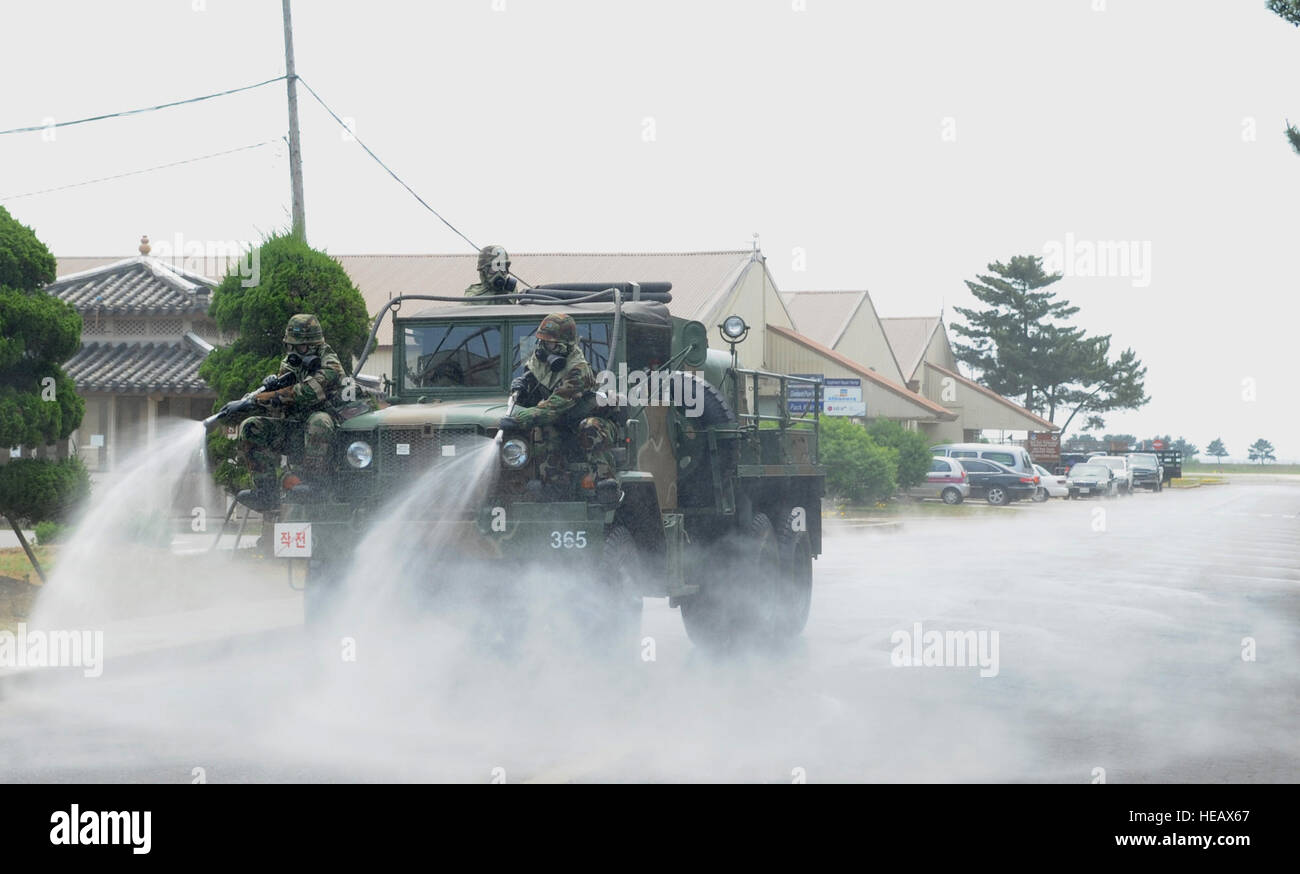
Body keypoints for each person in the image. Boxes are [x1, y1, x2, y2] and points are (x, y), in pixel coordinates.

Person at [235, 314, 345, 512]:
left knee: (318, 421)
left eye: (300, 347)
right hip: (295, 429)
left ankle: (315, 486)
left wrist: (261, 398)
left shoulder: (331, 366)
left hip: (328, 433)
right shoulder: (291, 363)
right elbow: (280, 401)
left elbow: (306, 393)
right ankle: (266, 494)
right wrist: (249, 403)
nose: (294, 352)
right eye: (290, 346)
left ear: (313, 345)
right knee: (251, 426)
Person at [500, 313, 618, 491]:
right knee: (544, 430)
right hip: (562, 423)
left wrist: (519, 419)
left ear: (564, 346)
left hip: (592, 424)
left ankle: (605, 483)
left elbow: (555, 406)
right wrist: (522, 386)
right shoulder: (540, 361)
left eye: (550, 343)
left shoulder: (578, 370)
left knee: (590, 426)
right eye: (542, 341)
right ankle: (553, 483)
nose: (544, 346)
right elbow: (533, 395)